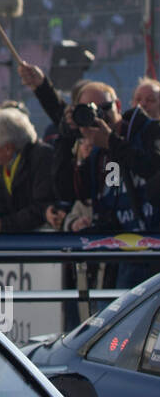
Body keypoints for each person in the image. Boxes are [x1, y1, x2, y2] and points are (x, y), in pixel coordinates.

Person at [50, 80, 160, 287]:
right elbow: (66, 190)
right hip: (121, 258)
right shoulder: (97, 153)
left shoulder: (148, 131)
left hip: (152, 250)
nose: (98, 116)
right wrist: (65, 137)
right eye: (89, 111)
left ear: (118, 106)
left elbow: (153, 169)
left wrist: (112, 142)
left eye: (104, 109)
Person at [0, 107, 55, 234]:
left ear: (8, 148)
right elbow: (0, 204)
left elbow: (41, 208)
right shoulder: (5, 165)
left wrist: (3, 225)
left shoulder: (42, 157)